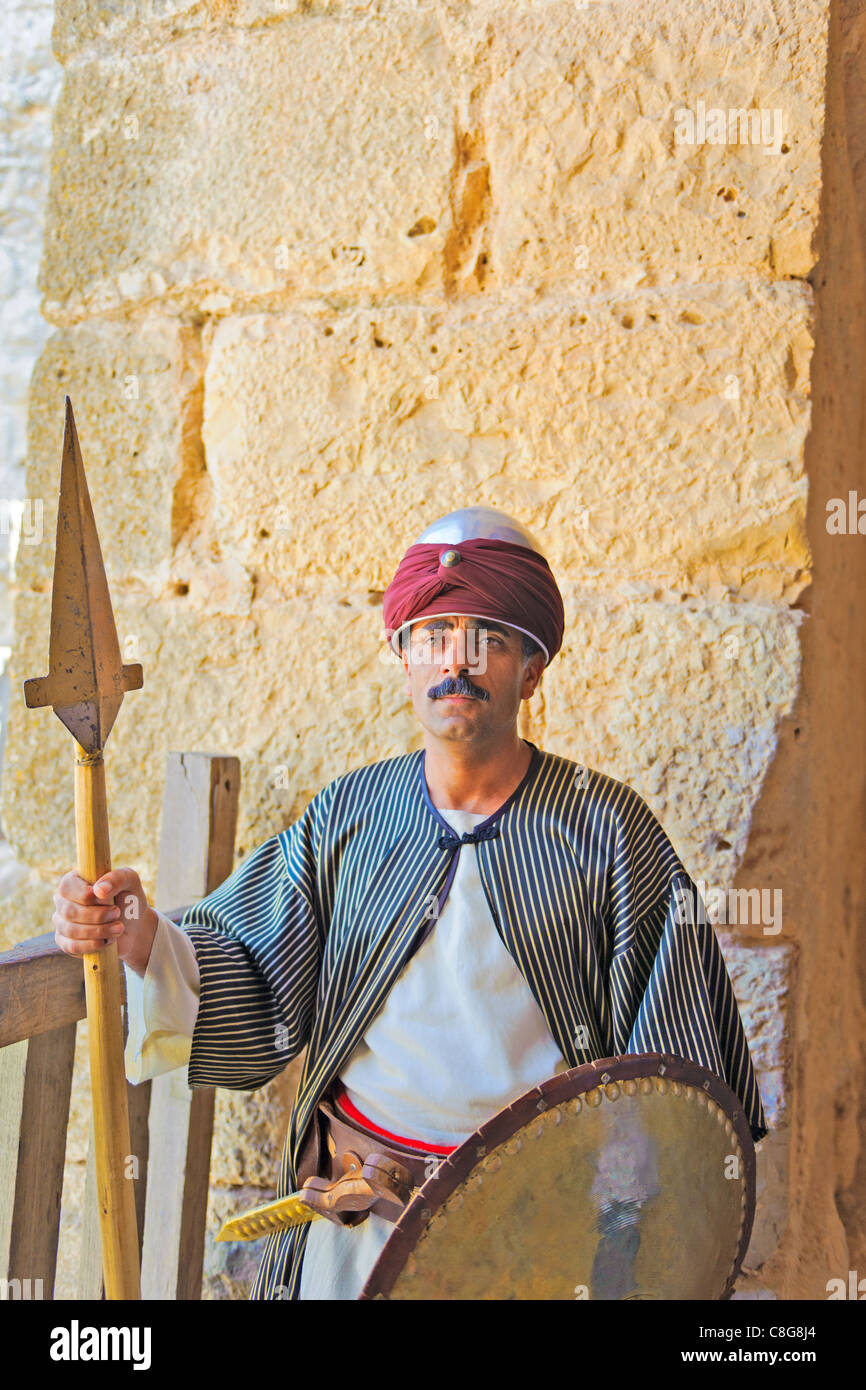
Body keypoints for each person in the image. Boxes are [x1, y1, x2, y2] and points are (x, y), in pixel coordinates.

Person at [53, 506, 768, 1300]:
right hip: (360, 1231)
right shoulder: (351, 817)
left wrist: (639, 1245)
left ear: (532, 670)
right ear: (403, 662)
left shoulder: (608, 831)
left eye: (488, 638)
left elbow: (676, 1084)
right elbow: (250, 969)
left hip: (539, 1241)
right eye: (433, 636)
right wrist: (141, 935)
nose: (455, 663)